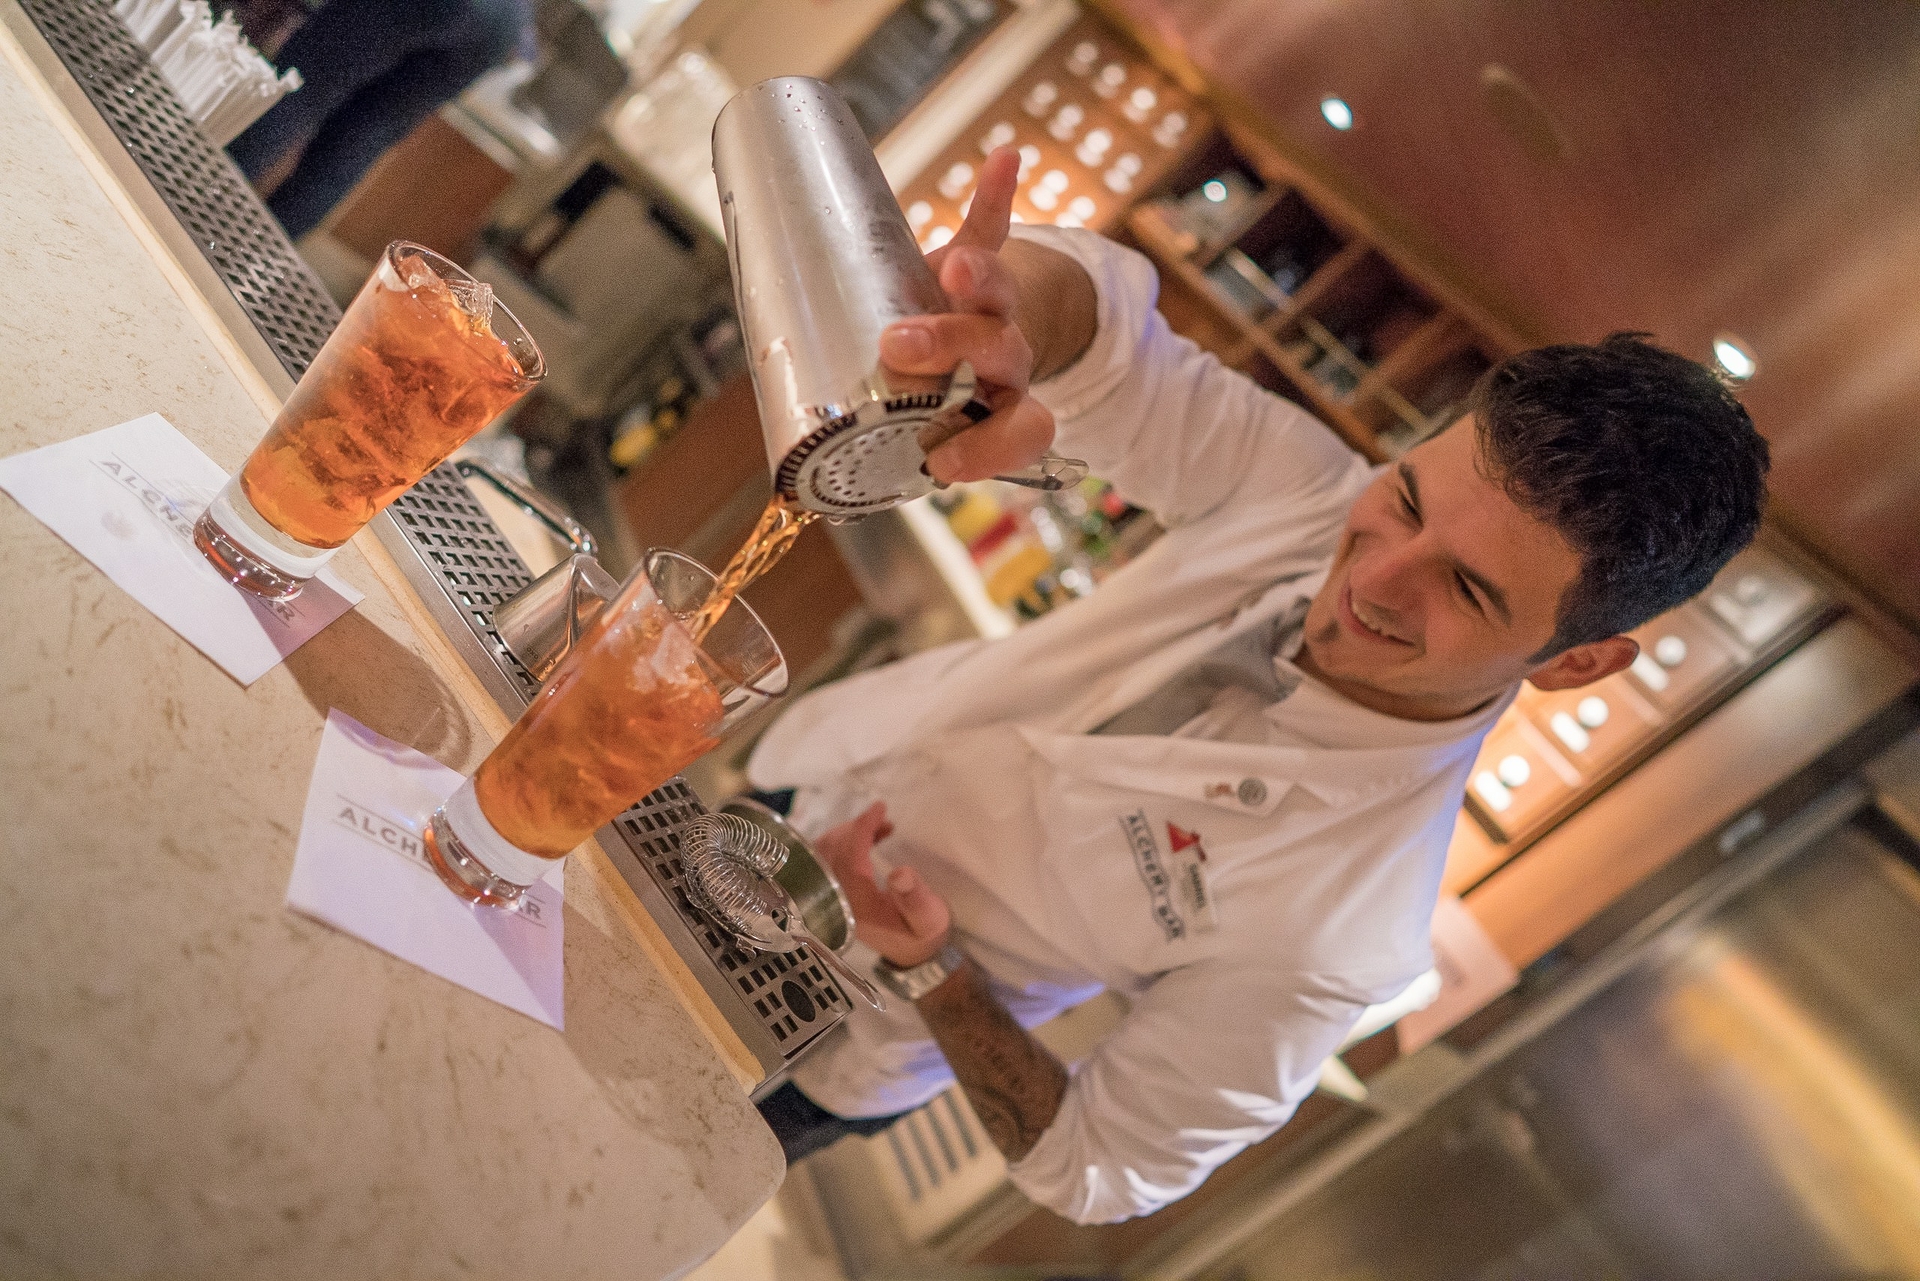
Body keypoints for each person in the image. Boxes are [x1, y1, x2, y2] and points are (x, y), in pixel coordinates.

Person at [747, 147, 1769, 1224]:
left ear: (1575, 661)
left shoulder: (1343, 931)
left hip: (840, 1026)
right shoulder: (1303, 491)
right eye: (1408, 501)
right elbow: (1104, 344)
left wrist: (934, 972)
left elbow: (1102, 1167)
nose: (1369, 577)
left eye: (1465, 589)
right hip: (782, 801)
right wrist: (1015, 323)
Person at [227, 0, 532, 240]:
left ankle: (202, 200)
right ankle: (253, 267)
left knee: (296, 90)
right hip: (504, 21)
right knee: (357, 144)